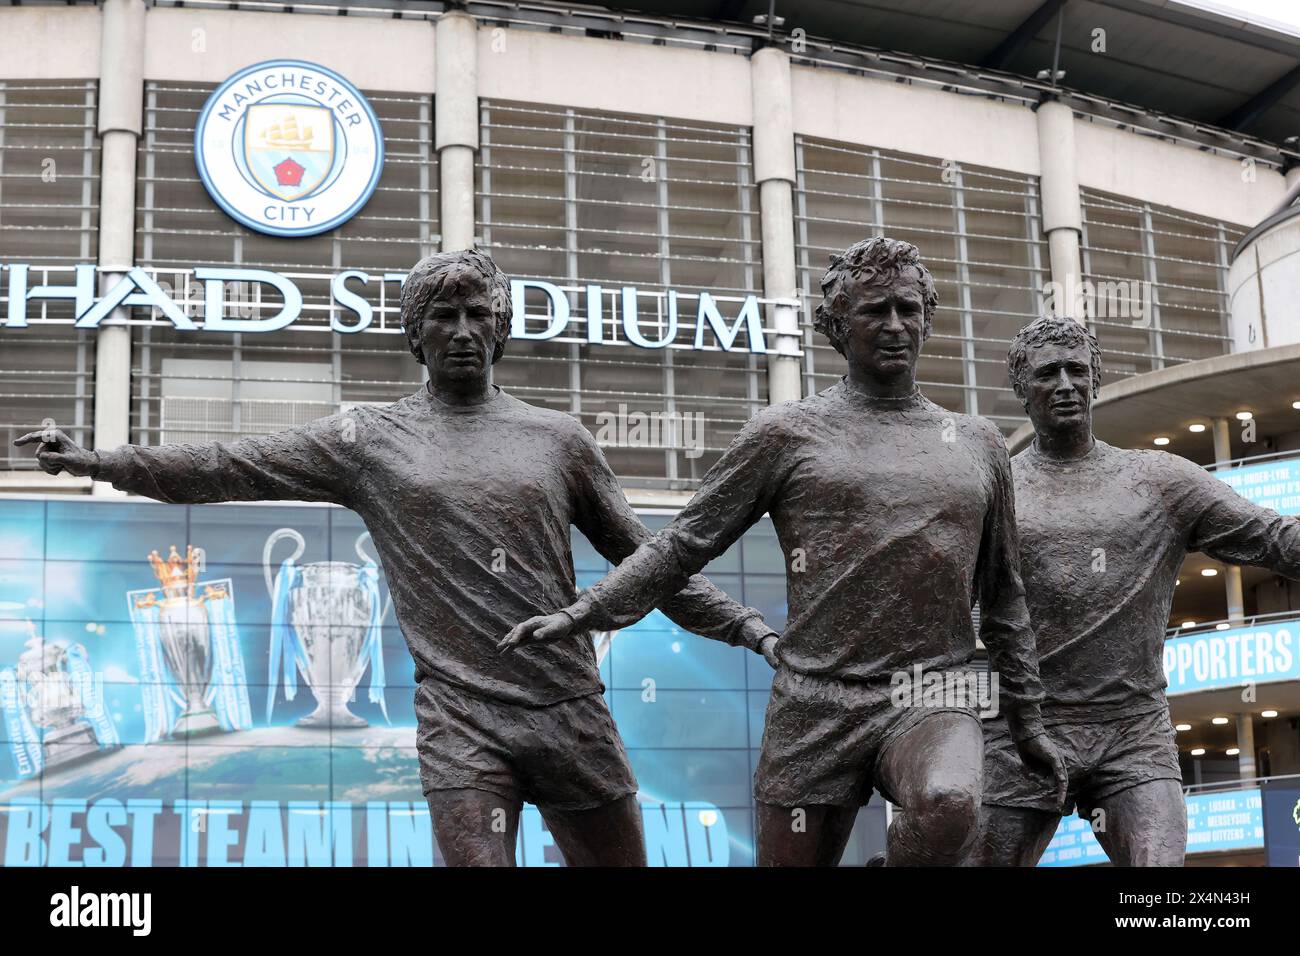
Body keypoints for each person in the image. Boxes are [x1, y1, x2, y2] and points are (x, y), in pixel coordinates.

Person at [15, 249, 778, 867]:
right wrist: (103, 462)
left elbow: (652, 562)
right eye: (442, 316)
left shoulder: (558, 441)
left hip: (568, 712)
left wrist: (750, 630)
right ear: (415, 335)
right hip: (460, 720)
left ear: (502, 330)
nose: (462, 330)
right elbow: (227, 462)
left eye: (478, 314)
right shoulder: (368, 441)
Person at [501, 237, 1066, 866]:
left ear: (928, 318)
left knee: (949, 802)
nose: (895, 325)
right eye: (875, 311)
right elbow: (685, 545)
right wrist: (587, 611)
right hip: (815, 699)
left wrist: (1028, 721)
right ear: (835, 327)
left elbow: (1005, 595)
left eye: (909, 309)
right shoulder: (786, 434)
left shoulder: (978, 443)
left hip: (931, 690)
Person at [969, 314, 1300, 866]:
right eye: (1048, 373)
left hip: (1132, 730)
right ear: (1022, 388)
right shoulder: (992, 489)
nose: (1066, 384)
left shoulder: (1160, 482)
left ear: (1096, 378)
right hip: (1021, 729)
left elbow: (1274, 539)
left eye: (1078, 370)